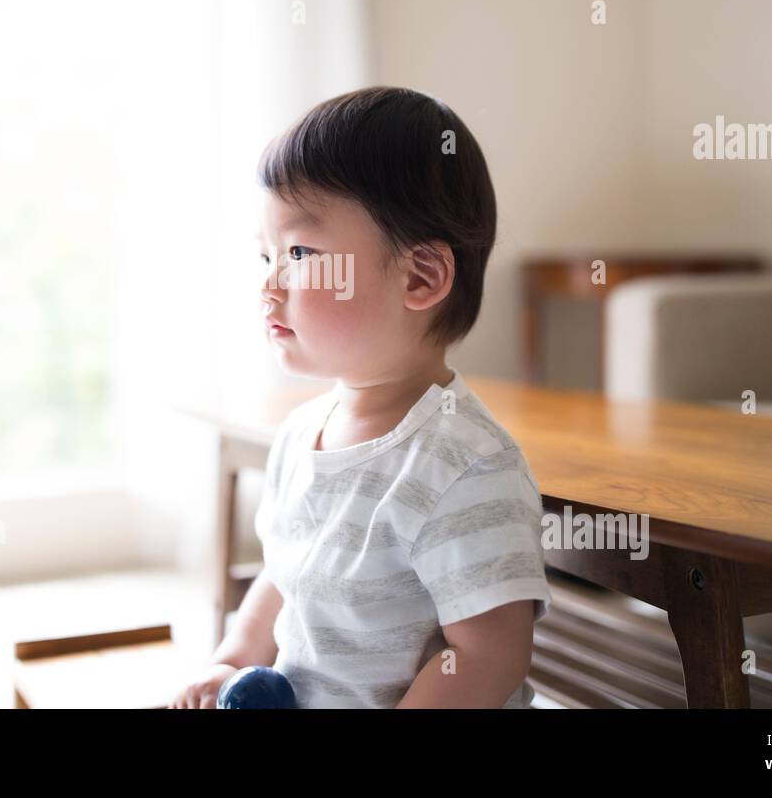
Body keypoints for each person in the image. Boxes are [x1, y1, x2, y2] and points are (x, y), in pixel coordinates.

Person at [170, 85, 552, 708]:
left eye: (298, 253)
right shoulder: (300, 435)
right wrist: (232, 662)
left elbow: (489, 654)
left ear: (420, 276)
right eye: (266, 256)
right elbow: (284, 575)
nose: (269, 286)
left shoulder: (461, 463)